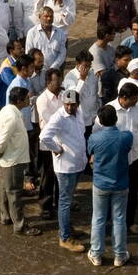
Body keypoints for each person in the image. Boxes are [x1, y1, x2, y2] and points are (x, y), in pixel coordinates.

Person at [39, 88, 87, 253]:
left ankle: (68, 228)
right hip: (66, 166)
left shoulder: (78, 113)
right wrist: (56, 148)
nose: (69, 108)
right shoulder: (59, 117)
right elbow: (44, 136)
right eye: (67, 105)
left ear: (77, 104)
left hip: (78, 163)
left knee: (68, 198)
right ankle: (65, 237)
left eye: (72, 105)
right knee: (65, 201)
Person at [87, 105, 133, 266]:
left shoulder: (94, 138)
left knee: (98, 218)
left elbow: (90, 152)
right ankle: (120, 255)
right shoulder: (126, 137)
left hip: (100, 183)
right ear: (116, 118)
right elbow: (128, 147)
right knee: (119, 219)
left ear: (100, 120)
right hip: (120, 183)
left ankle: (96, 253)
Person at [0, 86, 40, 236]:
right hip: (13, 160)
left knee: (6, 189)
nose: (29, 100)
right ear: (19, 101)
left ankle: (6, 216)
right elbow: (2, 137)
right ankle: (19, 225)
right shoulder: (12, 117)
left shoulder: (8, 111)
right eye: (26, 98)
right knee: (14, 193)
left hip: (12, 157)